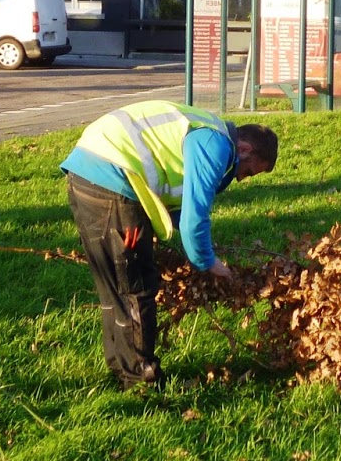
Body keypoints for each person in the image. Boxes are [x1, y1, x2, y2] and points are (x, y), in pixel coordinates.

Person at [60, 101, 278, 389]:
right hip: (112, 177)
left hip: (88, 171)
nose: (240, 178)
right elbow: (194, 217)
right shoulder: (216, 144)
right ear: (246, 149)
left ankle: (121, 368)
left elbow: (178, 207)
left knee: (115, 284)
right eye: (249, 172)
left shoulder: (207, 127)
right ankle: (141, 378)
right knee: (137, 285)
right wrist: (206, 262)